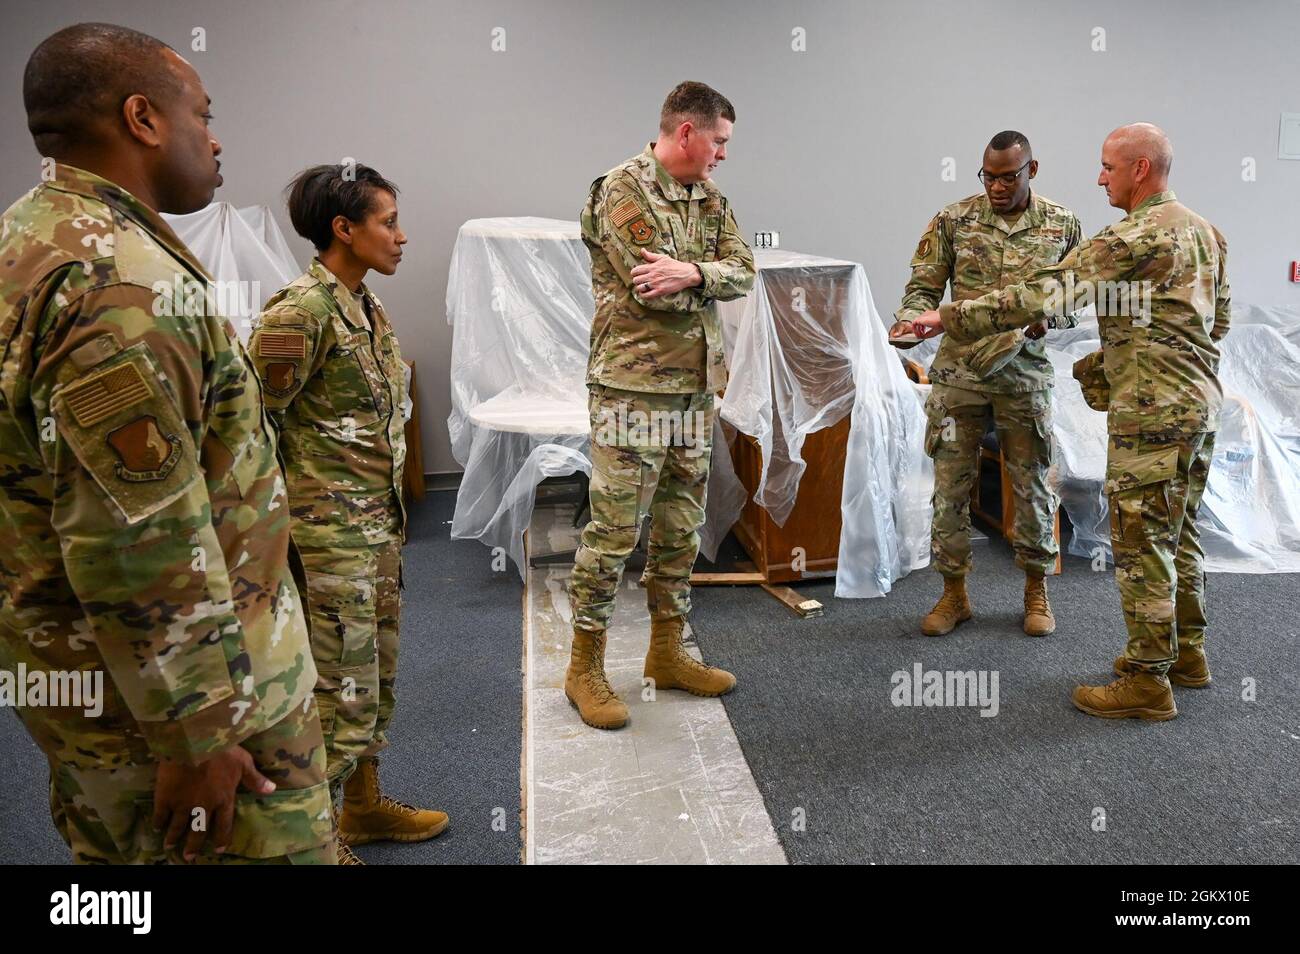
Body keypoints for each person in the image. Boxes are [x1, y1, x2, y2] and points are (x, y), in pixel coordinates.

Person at [0, 23, 333, 863]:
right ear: (143, 119)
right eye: (203, 115)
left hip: (94, 677)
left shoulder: (33, 239)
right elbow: (133, 535)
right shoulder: (116, 283)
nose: (215, 141)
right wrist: (196, 736)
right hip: (185, 711)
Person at [913, 123, 1230, 721]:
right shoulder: (1205, 233)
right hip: (1198, 407)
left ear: (1140, 170)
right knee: (1181, 535)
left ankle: (1146, 681)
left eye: (1108, 167)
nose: (1099, 178)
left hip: (1150, 414)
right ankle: (1187, 656)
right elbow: (1216, 324)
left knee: (1142, 547)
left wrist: (948, 315)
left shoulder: (1125, 237)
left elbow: (1046, 295)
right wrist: (1128, 350)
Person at [249, 164, 446, 863]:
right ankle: (317, 841)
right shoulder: (299, 313)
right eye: (387, 221)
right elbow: (244, 429)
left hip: (375, 533)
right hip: (328, 540)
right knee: (337, 695)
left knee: (375, 678)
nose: (400, 235)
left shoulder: (362, 304)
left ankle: (362, 809)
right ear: (344, 229)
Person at [566, 81, 756, 730]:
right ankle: (583, 666)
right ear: (686, 133)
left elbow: (743, 270)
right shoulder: (620, 190)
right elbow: (650, 289)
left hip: (692, 392)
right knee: (615, 533)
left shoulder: (709, 198)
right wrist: (690, 278)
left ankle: (666, 651)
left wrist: (694, 272)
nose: (723, 155)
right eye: (719, 142)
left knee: (680, 529)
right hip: (631, 393)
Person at [891, 131, 1084, 638]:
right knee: (950, 487)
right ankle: (953, 594)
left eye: (1009, 176)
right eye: (989, 176)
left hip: (1023, 376)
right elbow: (922, 288)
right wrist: (910, 324)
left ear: (1031, 170)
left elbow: (1077, 300)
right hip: (960, 377)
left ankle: (1035, 590)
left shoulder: (1062, 224)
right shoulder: (953, 220)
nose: (998, 186)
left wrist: (1048, 320)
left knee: (1034, 484)